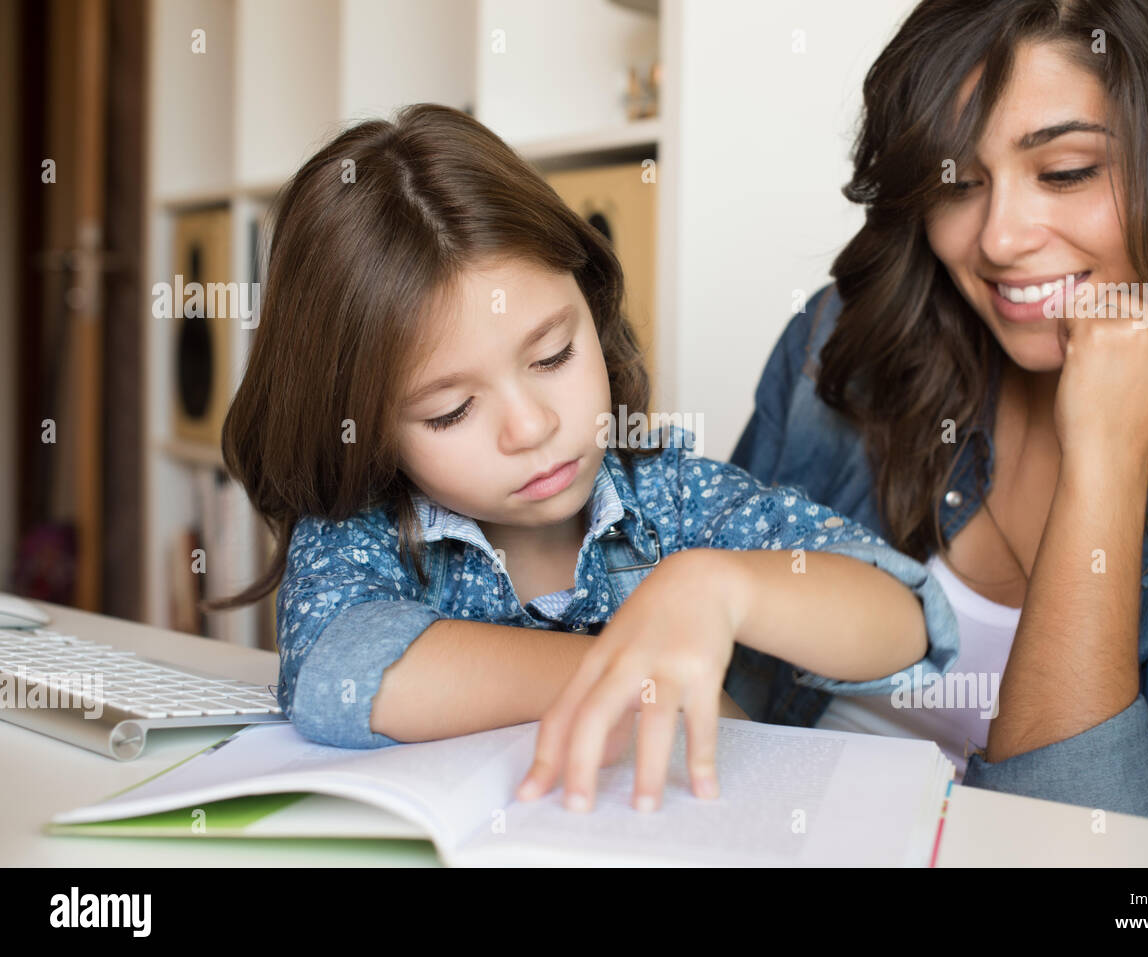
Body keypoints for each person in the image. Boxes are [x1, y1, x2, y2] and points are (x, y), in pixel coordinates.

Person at [205, 103, 961, 814]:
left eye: (553, 354)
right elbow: (334, 670)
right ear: (366, 428)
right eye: (451, 410)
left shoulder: (672, 499)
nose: (531, 426)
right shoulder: (367, 527)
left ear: (592, 308)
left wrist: (719, 587)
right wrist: (628, 680)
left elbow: (906, 619)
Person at [723, 0, 1148, 832]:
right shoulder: (837, 348)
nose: (999, 239)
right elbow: (710, 698)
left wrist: (1105, 454)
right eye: (955, 182)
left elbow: (1088, 858)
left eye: (1065, 172)